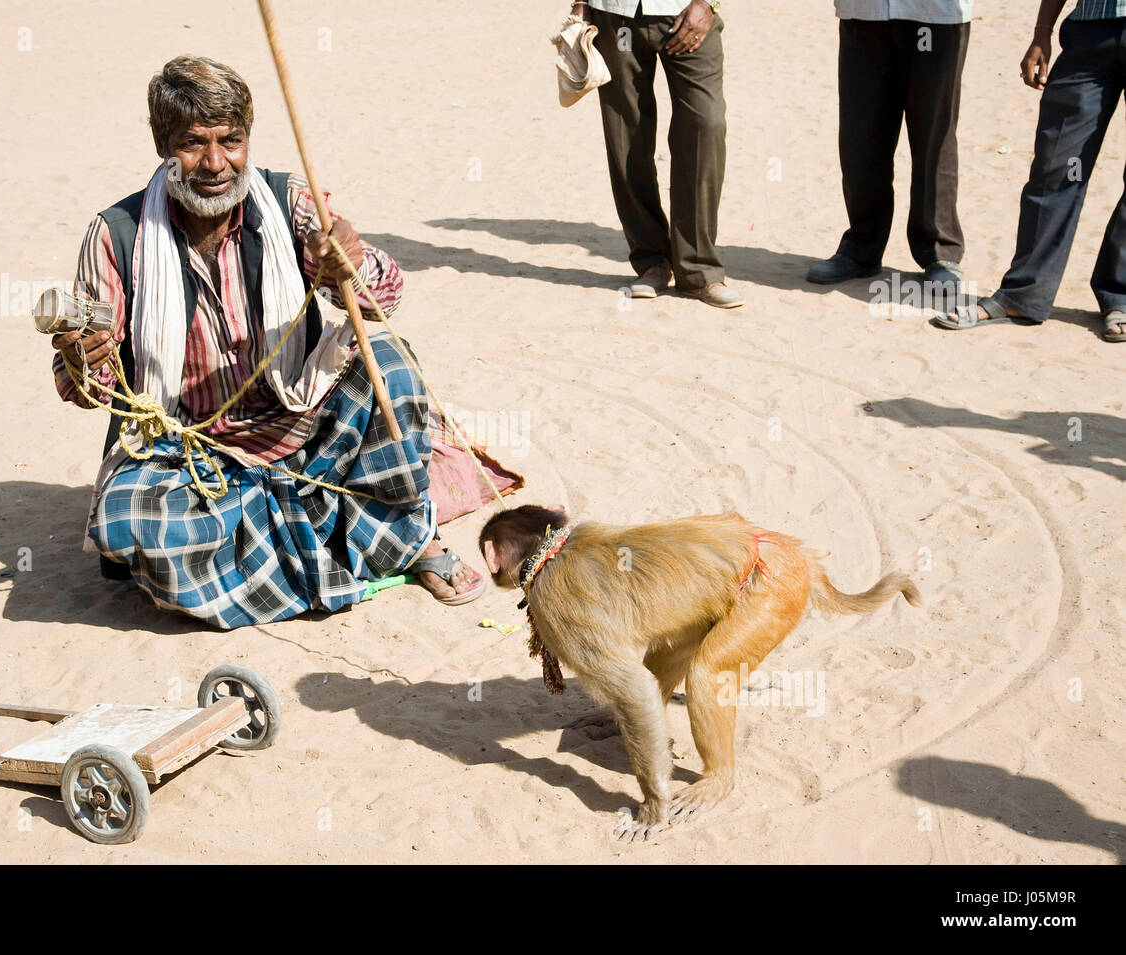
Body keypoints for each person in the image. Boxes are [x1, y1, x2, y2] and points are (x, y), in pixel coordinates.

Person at [49, 56, 485, 629]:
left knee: (391, 364)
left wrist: (348, 265)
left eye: (231, 141)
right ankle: (327, 535)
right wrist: (83, 358)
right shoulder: (117, 235)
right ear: (162, 145)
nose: (215, 164)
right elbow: (89, 390)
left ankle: (405, 537)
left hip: (305, 426)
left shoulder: (289, 201)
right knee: (129, 518)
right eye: (193, 143)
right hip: (192, 454)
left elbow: (386, 298)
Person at [932, 0, 1126, 342]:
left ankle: (1121, 295)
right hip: (1091, 31)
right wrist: (1042, 32)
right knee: (1057, 164)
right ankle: (1022, 295)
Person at [574, 1, 743, 307]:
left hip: (688, 8)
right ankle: (651, 261)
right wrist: (581, 3)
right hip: (617, 15)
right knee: (626, 135)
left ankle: (698, 271)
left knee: (706, 125)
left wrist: (708, 3)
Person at [808, 0, 972, 298]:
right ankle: (862, 247)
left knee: (934, 139)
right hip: (863, 12)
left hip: (934, 15)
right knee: (861, 137)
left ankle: (940, 251)